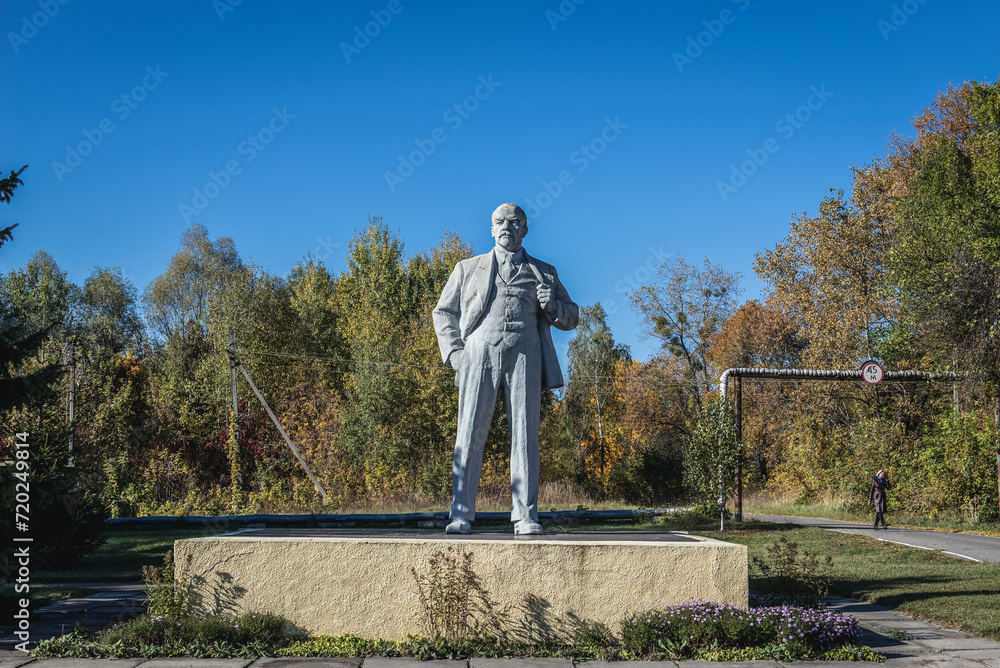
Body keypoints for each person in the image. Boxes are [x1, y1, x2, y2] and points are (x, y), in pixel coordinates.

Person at [432, 203, 578, 535]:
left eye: (514, 222)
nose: (506, 227)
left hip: (526, 351)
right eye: (499, 222)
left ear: (525, 230)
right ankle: (460, 513)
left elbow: (571, 316)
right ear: (491, 228)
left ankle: (525, 515)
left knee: (525, 434)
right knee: (469, 432)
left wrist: (552, 305)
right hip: (478, 352)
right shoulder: (467, 268)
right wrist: (455, 354)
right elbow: (443, 313)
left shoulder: (545, 272)